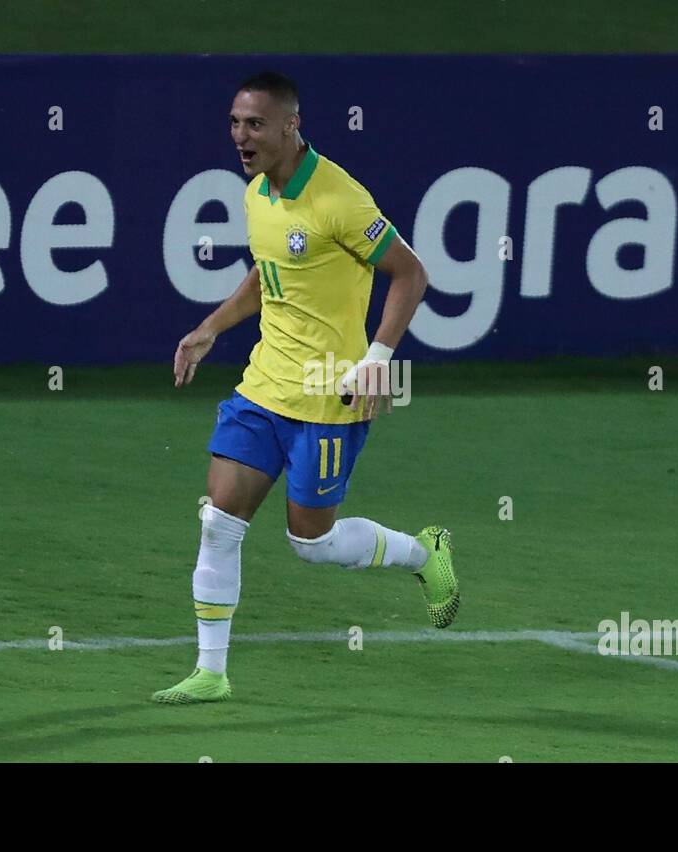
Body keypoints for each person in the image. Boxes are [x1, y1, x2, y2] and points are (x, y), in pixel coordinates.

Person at [152, 71, 459, 705]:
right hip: (264, 386)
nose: (241, 136)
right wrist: (210, 327)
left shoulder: (339, 198)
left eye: (255, 124)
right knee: (218, 523)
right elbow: (269, 275)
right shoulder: (258, 192)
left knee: (312, 542)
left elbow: (411, 273)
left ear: (291, 126)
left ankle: (423, 553)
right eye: (235, 123)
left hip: (329, 393)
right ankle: (212, 671)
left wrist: (378, 357)